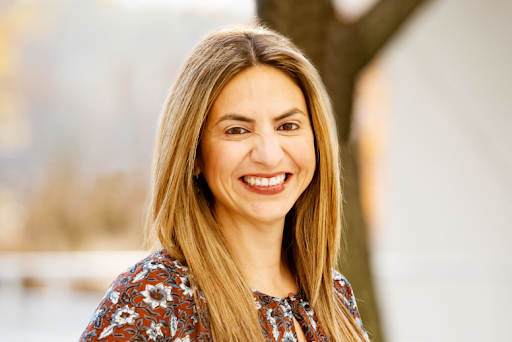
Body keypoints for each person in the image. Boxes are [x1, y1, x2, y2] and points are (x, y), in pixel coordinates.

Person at [80, 24, 369, 342]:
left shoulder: (333, 294)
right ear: (194, 154)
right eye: (237, 130)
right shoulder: (157, 295)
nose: (269, 155)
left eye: (288, 126)